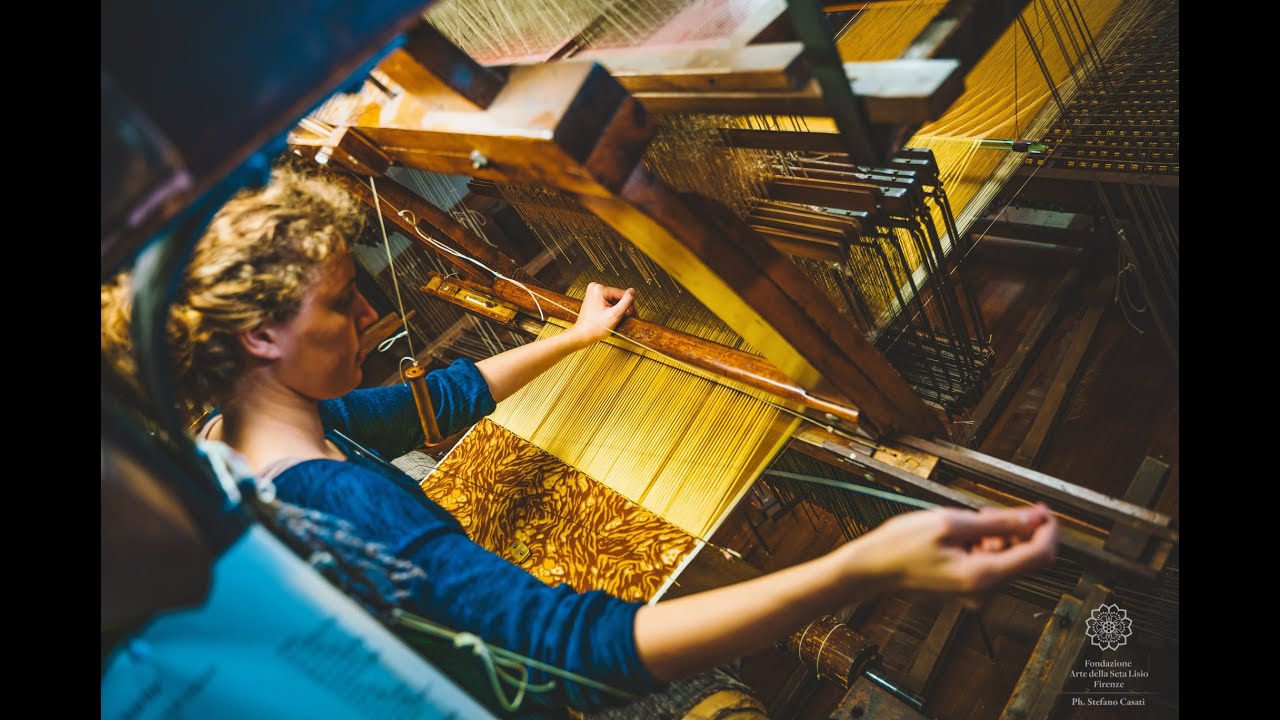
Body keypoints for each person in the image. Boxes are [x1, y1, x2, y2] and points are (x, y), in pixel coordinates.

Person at [101, 161, 1058, 714]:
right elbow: (577, 649)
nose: (371, 321)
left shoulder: (234, 444)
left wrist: (576, 337)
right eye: (344, 304)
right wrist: (862, 569)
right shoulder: (341, 500)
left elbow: (437, 401)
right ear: (259, 336)